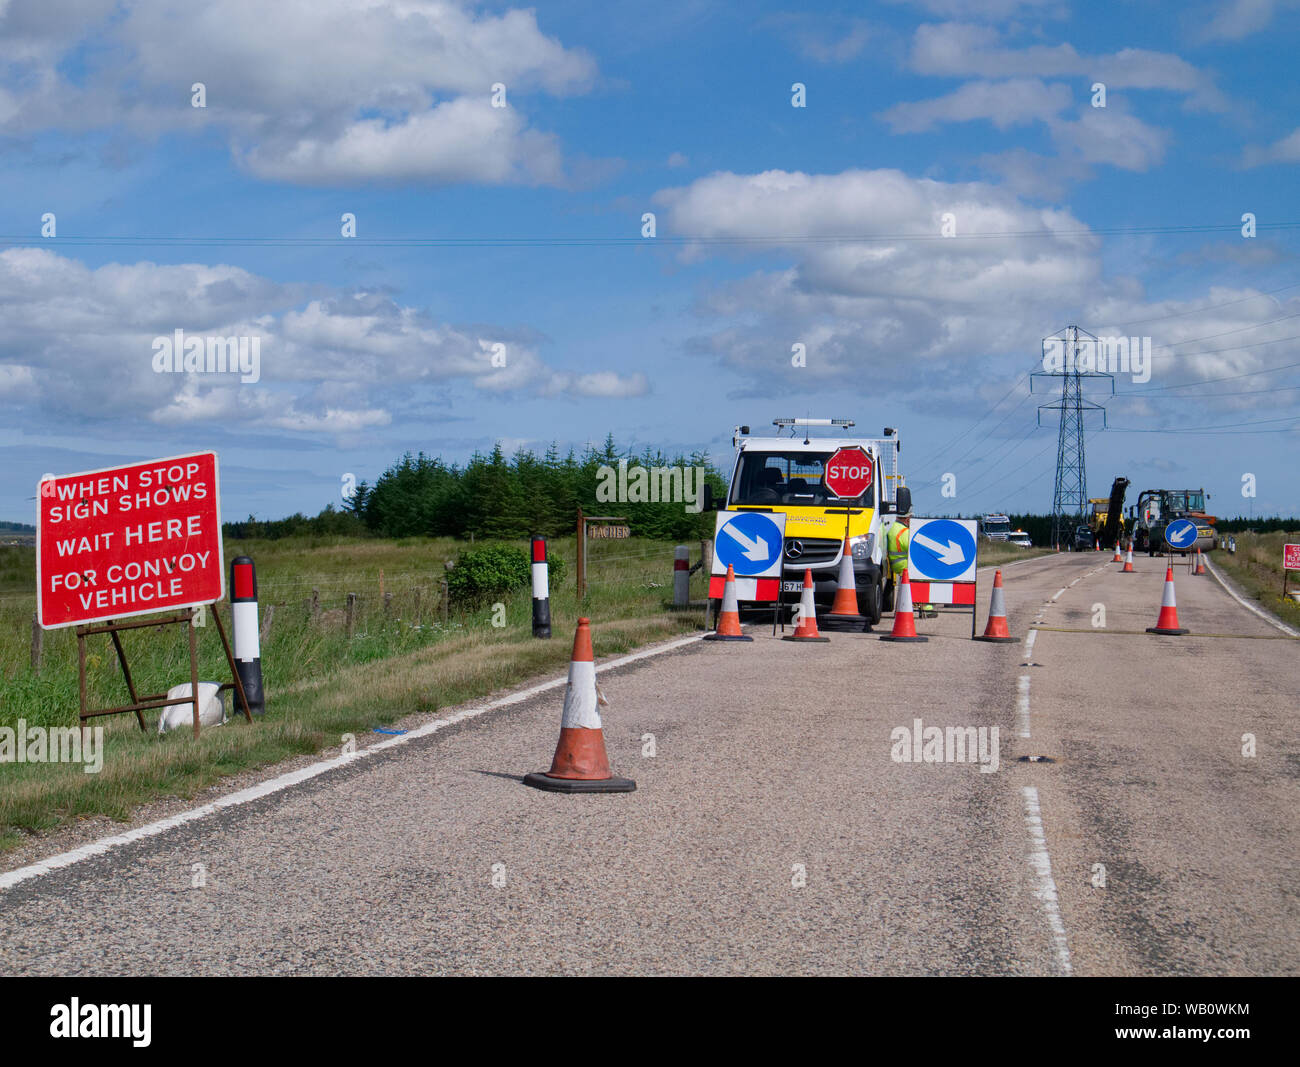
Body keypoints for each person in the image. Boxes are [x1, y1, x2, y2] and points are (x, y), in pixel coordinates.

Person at [886, 514, 936, 616]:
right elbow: (913, 548)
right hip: (903, 564)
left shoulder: (891, 527)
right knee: (925, 573)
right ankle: (926, 607)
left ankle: (912, 602)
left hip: (895, 563)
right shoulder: (903, 531)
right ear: (907, 519)